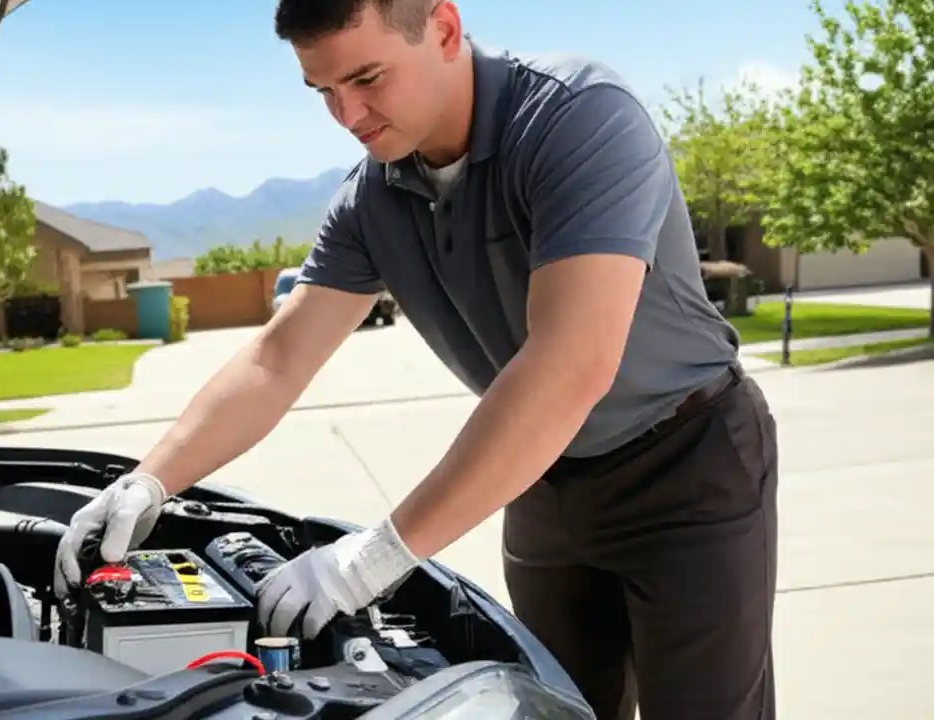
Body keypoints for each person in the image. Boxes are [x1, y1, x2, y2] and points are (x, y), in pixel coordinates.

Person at [53, 1, 779, 718]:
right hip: (539, 475)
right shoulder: (374, 198)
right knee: (558, 709)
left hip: (686, 467)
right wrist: (150, 481)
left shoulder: (578, 119)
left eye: (367, 78)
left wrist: (372, 557)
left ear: (444, 28)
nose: (349, 115)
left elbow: (571, 364)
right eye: (325, 92)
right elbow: (278, 357)